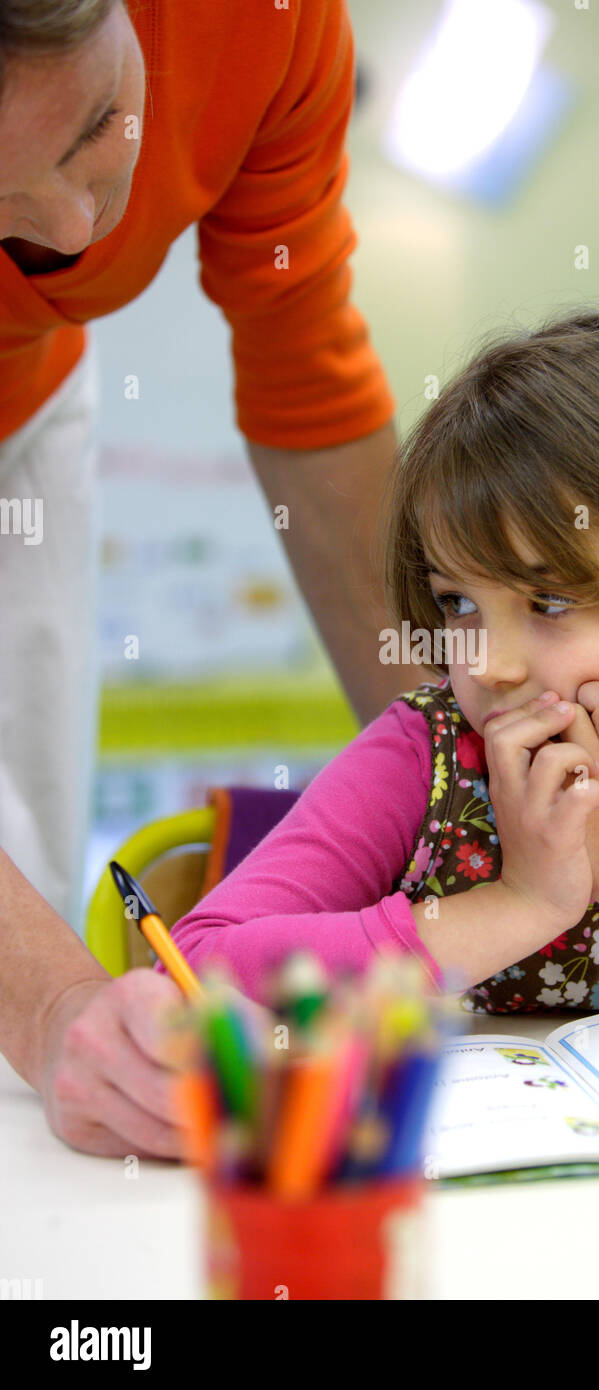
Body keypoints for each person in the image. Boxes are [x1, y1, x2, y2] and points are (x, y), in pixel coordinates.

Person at [162, 308, 599, 1045]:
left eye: (551, 600)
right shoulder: (423, 759)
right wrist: (521, 902)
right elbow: (195, 973)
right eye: (457, 602)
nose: (486, 665)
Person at [0, 0, 422, 1157]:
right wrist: (49, 1006)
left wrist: (452, 755)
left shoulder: (260, 18)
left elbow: (304, 365)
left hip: (24, 407)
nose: (78, 229)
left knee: (30, 862)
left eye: (95, 132)